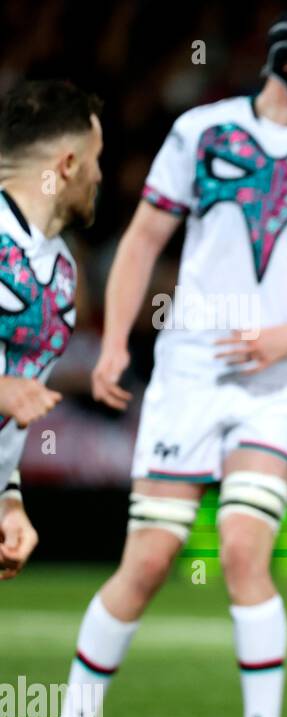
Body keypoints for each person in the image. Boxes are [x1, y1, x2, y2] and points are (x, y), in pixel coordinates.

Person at [46, 7, 287, 717]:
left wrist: (285, 336)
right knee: (150, 559)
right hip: (190, 375)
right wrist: (111, 343)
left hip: (281, 386)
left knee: (242, 548)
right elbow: (139, 241)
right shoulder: (200, 132)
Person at [0, 80, 102, 583]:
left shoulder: (60, 273)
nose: (100, 175)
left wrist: (8, 500)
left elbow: (14, 403)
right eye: (95, 159)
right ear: (67, 165)